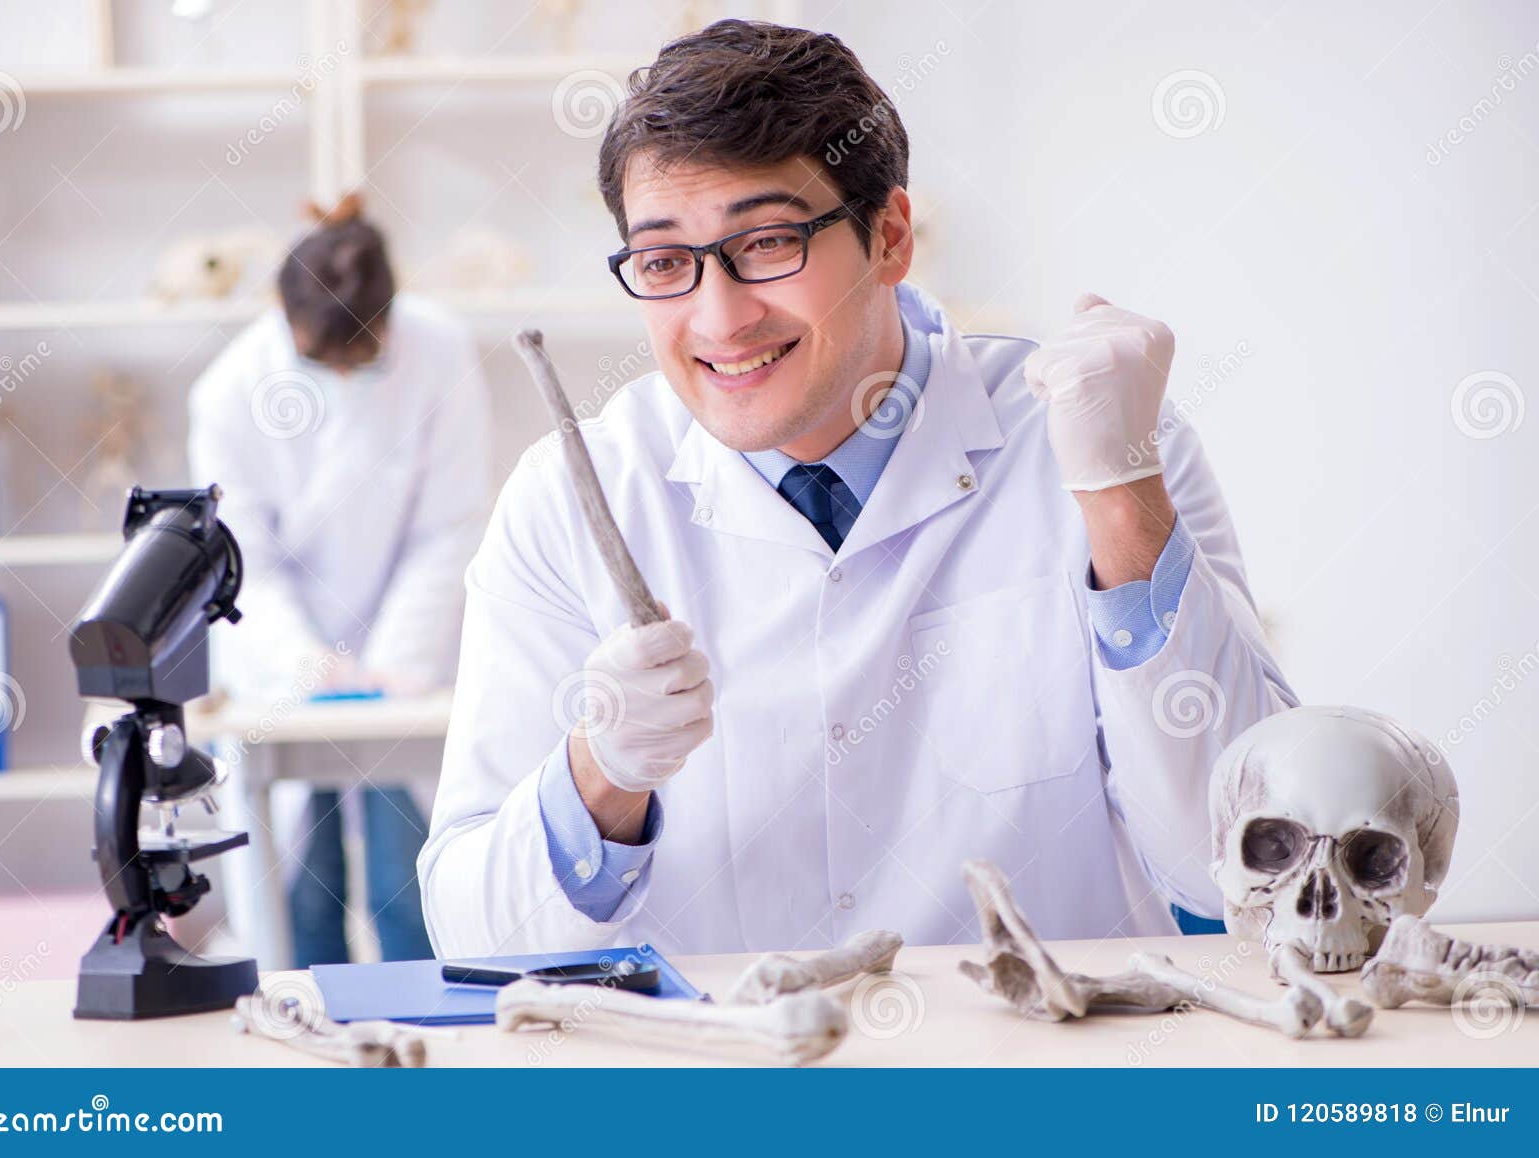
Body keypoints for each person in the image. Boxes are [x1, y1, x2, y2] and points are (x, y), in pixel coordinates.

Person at [420, 21, 1296, 959]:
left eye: (766, 243)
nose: (720, 318)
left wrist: (1121, 498)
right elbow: (472, 937)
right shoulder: (571, 497)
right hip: (725, 1082)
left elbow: (1253, 873)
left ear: (889, 237)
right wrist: (601, 773)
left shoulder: (1094, 439)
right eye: (667, 262)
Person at [188, 195, 491, 966]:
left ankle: (431, 1061)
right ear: (283, 319)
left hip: (404, 668)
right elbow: (243, 561)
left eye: (366, 358)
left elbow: (446, 528)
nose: (349, 375)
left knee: (409, 878)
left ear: (391, 318)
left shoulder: (441, 352)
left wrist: (394, 662)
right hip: (281, 670)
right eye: (327, 363)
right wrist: (305, 667)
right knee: (303, 892)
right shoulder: (228, 392)